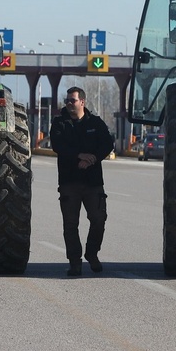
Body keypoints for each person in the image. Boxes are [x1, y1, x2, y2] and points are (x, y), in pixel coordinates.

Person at [49, 86, 115, 276]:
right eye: (67, 100)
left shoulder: (95, 122)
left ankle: (92, 254)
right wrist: (79, 156)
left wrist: (92, 158)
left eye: (73, 100)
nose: (69, 104)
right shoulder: (60, 123)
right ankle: (75, 261)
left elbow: (107, 144)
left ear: (82, 102)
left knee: (98, 219)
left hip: (93, 182)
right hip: (69, 182)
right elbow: (58, 145)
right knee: (70, 224)